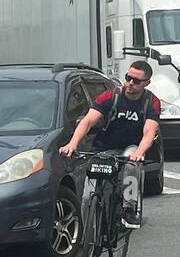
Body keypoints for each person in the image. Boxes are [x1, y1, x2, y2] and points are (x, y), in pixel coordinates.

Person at [59, 61, 161, 238]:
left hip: (131, 148)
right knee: (87, 197)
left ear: (147, 83)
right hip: (104, 148)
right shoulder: (110, 96)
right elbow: (88, 121)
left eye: (136, 81)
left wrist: (140, 152)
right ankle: (87, 240)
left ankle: (129, 209)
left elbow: (149, 132)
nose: (130, 83)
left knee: (131, 164)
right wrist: (72, 143)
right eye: (128, 78)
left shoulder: (151, 102)